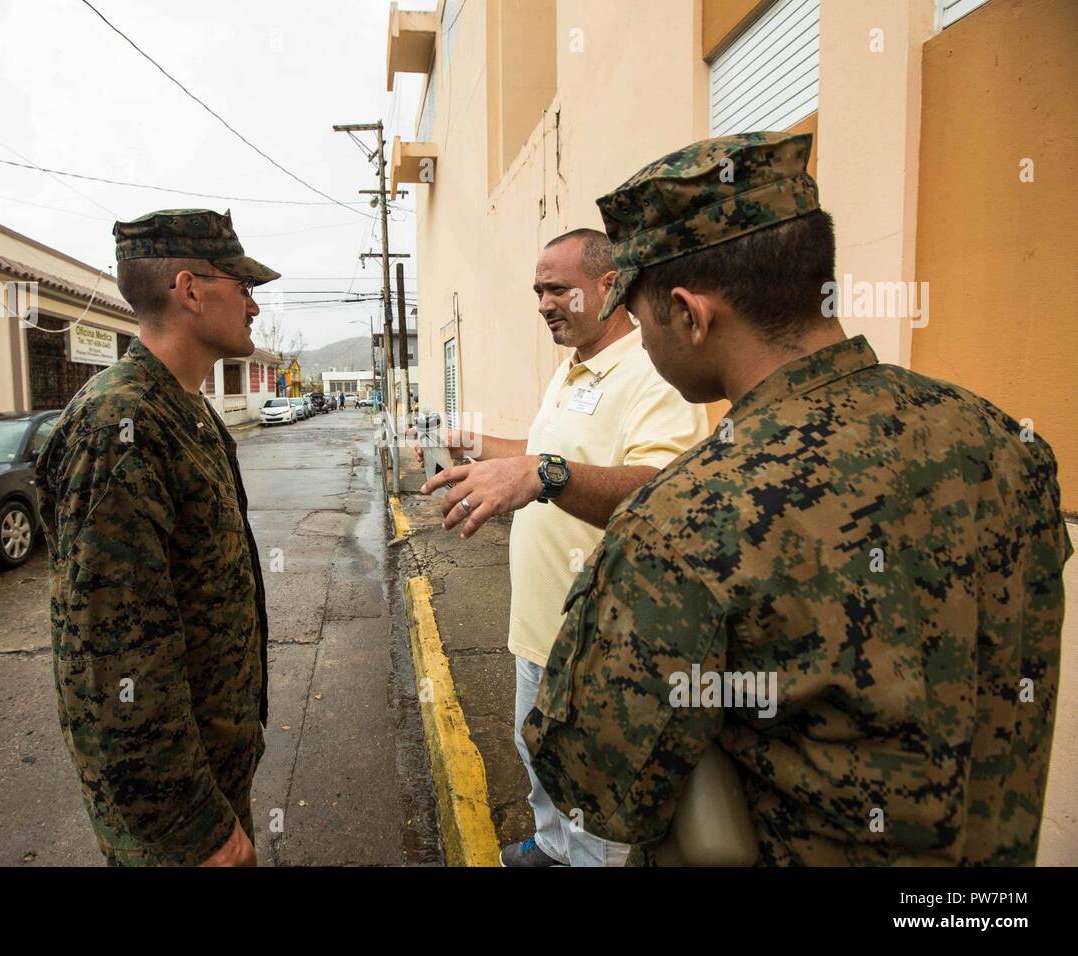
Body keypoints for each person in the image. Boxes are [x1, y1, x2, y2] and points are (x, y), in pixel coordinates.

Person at [524, 131, 1071, 865]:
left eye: (642, 312)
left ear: (689, 313)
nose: (641, 336)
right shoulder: (1008, 447)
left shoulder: (686, 517)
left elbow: (599, 785)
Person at [417, 228, 708, 866]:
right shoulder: (573, 371)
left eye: (558, 289)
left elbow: (665, 493)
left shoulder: (653, 373)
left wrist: (543, 472)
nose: (544, 303)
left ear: (610, 285)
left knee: (594, 791)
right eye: (538, 291)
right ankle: (551, 847)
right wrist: (470, 441)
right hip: (540, 629)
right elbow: (537, 461)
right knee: (538, 755)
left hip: (600, 646)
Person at [35, 208, 278, 866]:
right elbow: (112, 663)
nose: (255, 305)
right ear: (190, 289)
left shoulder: (183, 410)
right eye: (243, 285)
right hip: (174, 821)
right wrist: (195, 829)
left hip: (212, 776)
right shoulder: (120, 423)